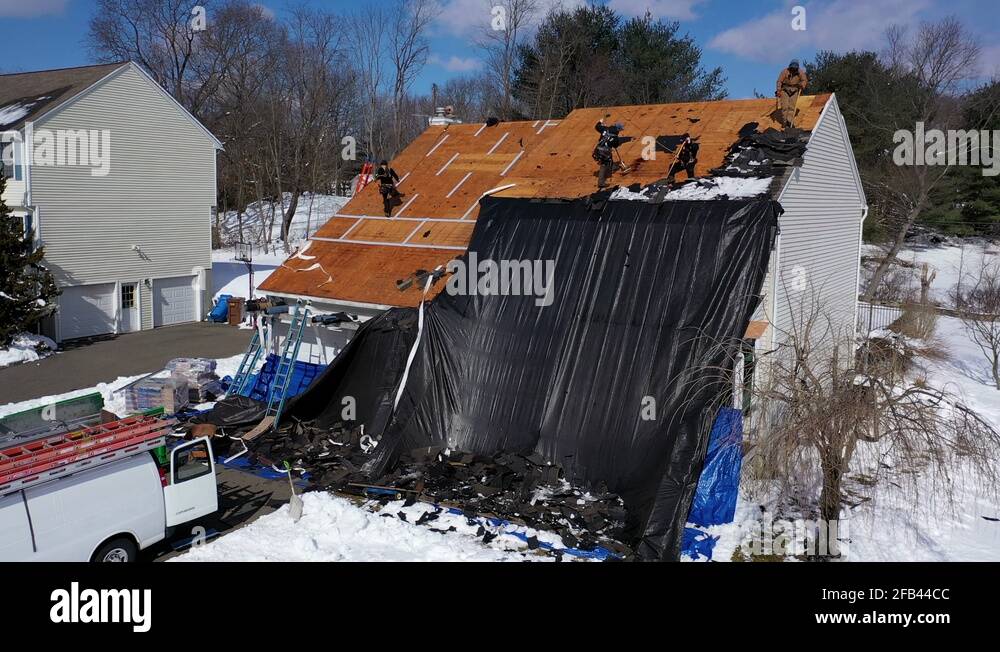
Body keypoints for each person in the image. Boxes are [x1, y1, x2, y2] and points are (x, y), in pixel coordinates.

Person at [593, 118, 631, 190]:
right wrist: (613, 142)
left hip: (598, 149)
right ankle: (601, 183)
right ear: (618, 129)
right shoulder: (615, 137)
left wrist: (600, 121)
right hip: (605, 151)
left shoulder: (605, 129)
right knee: (604, 165)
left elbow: (597, 127)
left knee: (609, 160)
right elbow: (615, 145)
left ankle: (614, 167)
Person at [776, 60, 809, 129]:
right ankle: (785, 123)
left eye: (795, 68)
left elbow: (804, 80)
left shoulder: (800, 72)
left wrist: (802, 85)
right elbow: (779, 81)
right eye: (792, 68)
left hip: (795, 90)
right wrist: (778, 90)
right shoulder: (784, 71)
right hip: (785, 90)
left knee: (792, 107)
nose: (793, 69)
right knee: (785, 107)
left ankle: (789, 121)